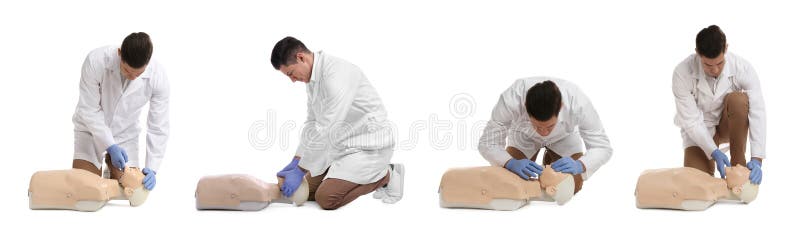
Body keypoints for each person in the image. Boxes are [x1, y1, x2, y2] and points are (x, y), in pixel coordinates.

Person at [269, 36, 404, 210]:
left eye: (290, 73)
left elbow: (327, 126)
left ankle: (386, 175)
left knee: (326, 199)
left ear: (301, 58)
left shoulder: (337, 74)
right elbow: (312, 123)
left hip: (368, 147)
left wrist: (301, 170)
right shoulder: (312, 79)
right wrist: (297, 160)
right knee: (307, 193)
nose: (293, 80)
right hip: (341, 145)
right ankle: (339, 173)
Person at [479, 77, 612, 194]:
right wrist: (509, 162)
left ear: (561, 107)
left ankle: (550, 159)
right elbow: (487, 143)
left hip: (564, 137)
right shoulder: (511, 100)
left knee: (572, 185)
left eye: (549, 126)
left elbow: (602, 147)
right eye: (537, 126)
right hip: (524, 135)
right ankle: (541, 159)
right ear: (525, 107)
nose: (543, 132)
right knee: (509, 183)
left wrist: (581, 164)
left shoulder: (578, 102)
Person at [71, 32, 169, 192]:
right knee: (86, 191)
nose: (132, 77)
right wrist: (109, 145)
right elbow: (89, 109)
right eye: (127, 70)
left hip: (125, 135)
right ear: (119, 54)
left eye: (138, 74)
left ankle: (111, 169)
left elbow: (158, 126)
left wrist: (153, 167)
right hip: (90, 130)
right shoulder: (96, 61)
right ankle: (101, 170)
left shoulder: (158, 77)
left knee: (136, 191)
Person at [672, 25, 764, 184]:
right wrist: (713, 151)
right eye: (708, 65)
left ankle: (738, 166)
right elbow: (690, 121)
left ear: (726, 48)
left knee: (739, 100)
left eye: (720, 63)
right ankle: (710, 166)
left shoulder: (742, 68)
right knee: (695, 184)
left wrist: (757, 158)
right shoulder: (682, 73)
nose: (715, 69)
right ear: (697, 53)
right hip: (700, 129)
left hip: (727, 124)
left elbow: (757, 110)